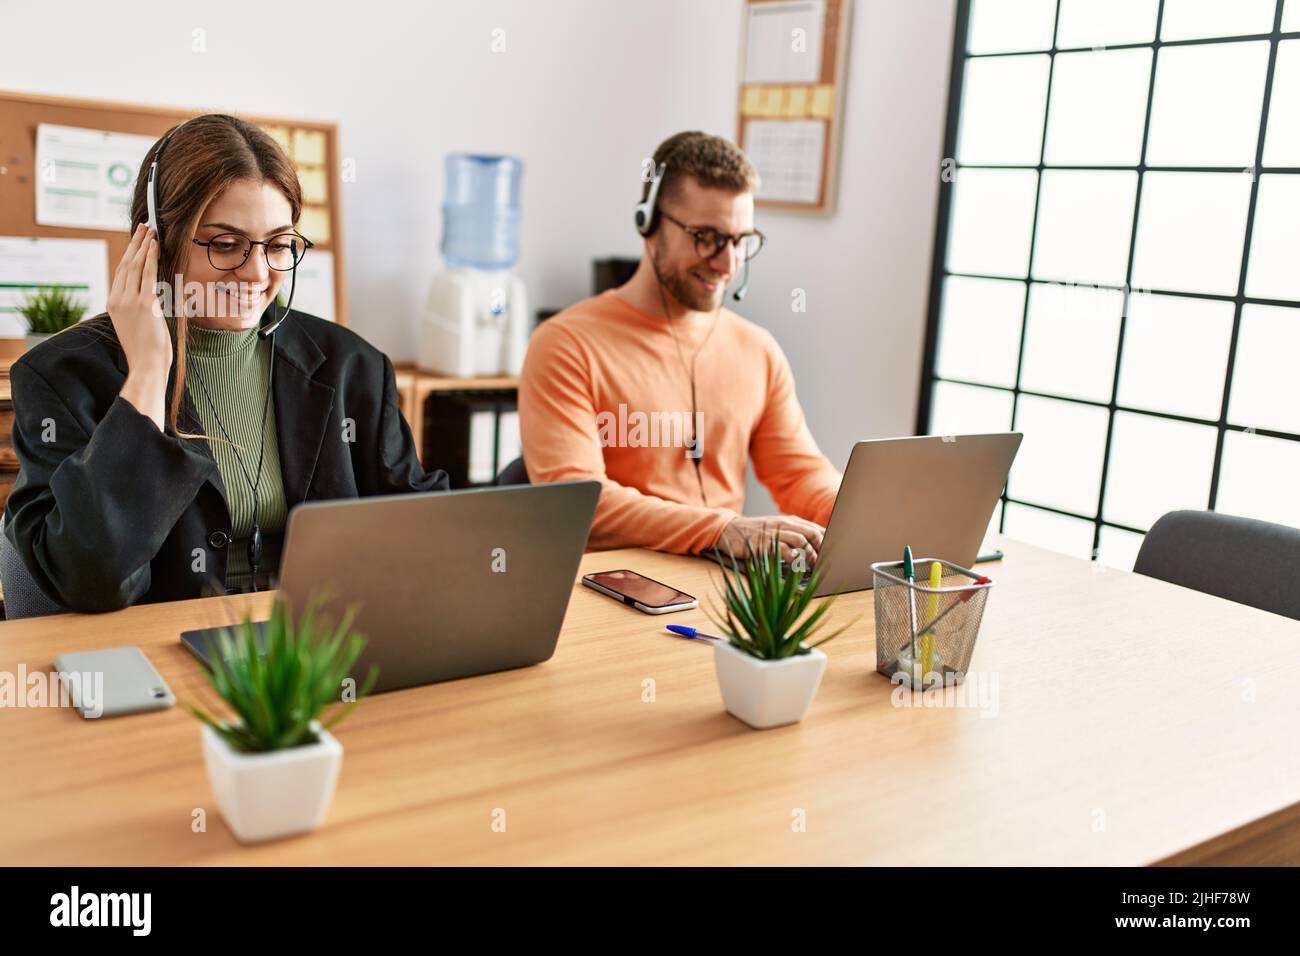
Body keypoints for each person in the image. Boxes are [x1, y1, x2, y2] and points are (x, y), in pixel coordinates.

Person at [3, 113, 447, 613]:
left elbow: (423, 525)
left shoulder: (352, 366)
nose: (257, 271)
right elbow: (90, 578)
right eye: (225, 244)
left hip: (319, 653)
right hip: (160, 657)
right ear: (154, 241)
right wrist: (147, 373)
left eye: (278, 244)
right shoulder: (65, 376)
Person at [519, 131, 841, 567]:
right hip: (618, 589)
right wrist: (722, 528)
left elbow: (800, 474)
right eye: (706, 237)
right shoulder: (566, 344)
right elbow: (580, 503)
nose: (728, 264)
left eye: (741, 240)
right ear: (648, 223)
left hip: (730, 592)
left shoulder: (758, 350)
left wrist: (866, 515)